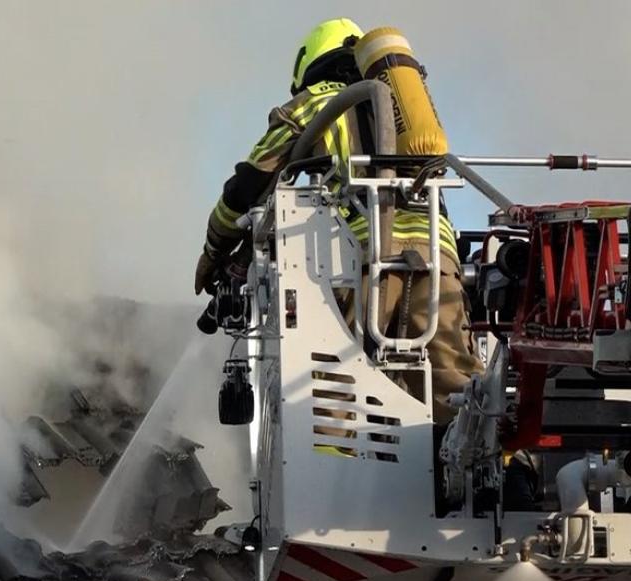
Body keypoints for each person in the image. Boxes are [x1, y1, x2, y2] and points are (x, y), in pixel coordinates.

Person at [194, 17, 483, 424]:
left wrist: (215, 244)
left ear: (310, 64)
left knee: (341, 395)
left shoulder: (316, 101)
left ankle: (343, 483)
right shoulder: (405, 105)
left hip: (361, 260)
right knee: (456, 390)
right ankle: (508, 477)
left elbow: (251, 182)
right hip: (438, 258)